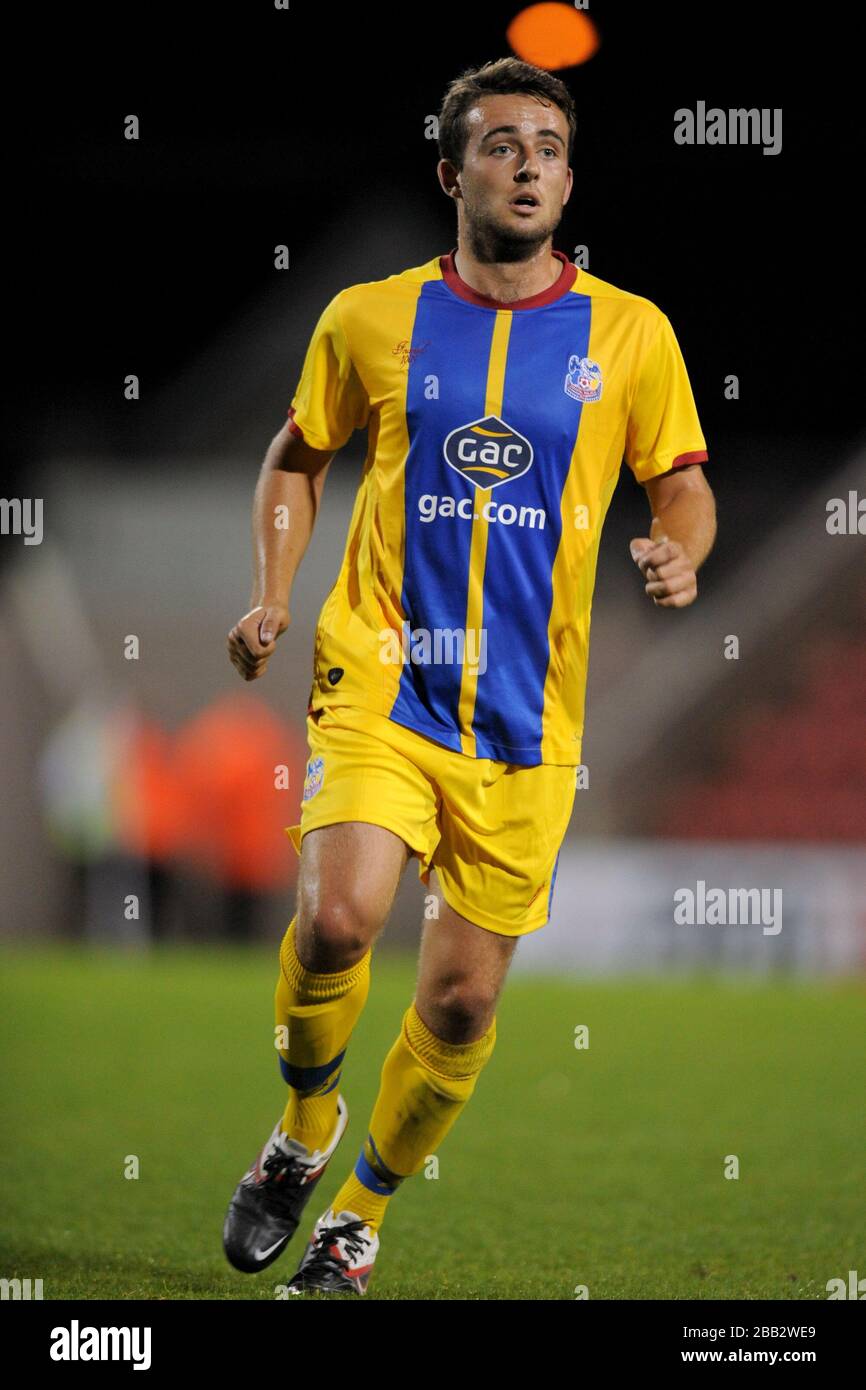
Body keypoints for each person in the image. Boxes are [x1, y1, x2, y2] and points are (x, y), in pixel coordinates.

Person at [222, 56, 717, 1296]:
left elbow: (683, 482)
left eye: (549, 146)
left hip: (525, 721)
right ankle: (302, 1124)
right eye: (501, 144)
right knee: (337, 916)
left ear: (568, 175)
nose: (529, 163)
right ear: (451, 172)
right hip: (383, 676)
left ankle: (360, 1216)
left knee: (454, 1008)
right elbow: (296, 459)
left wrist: (680, 552)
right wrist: (277, 591)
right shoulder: (368, 317)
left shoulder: (631, 332)